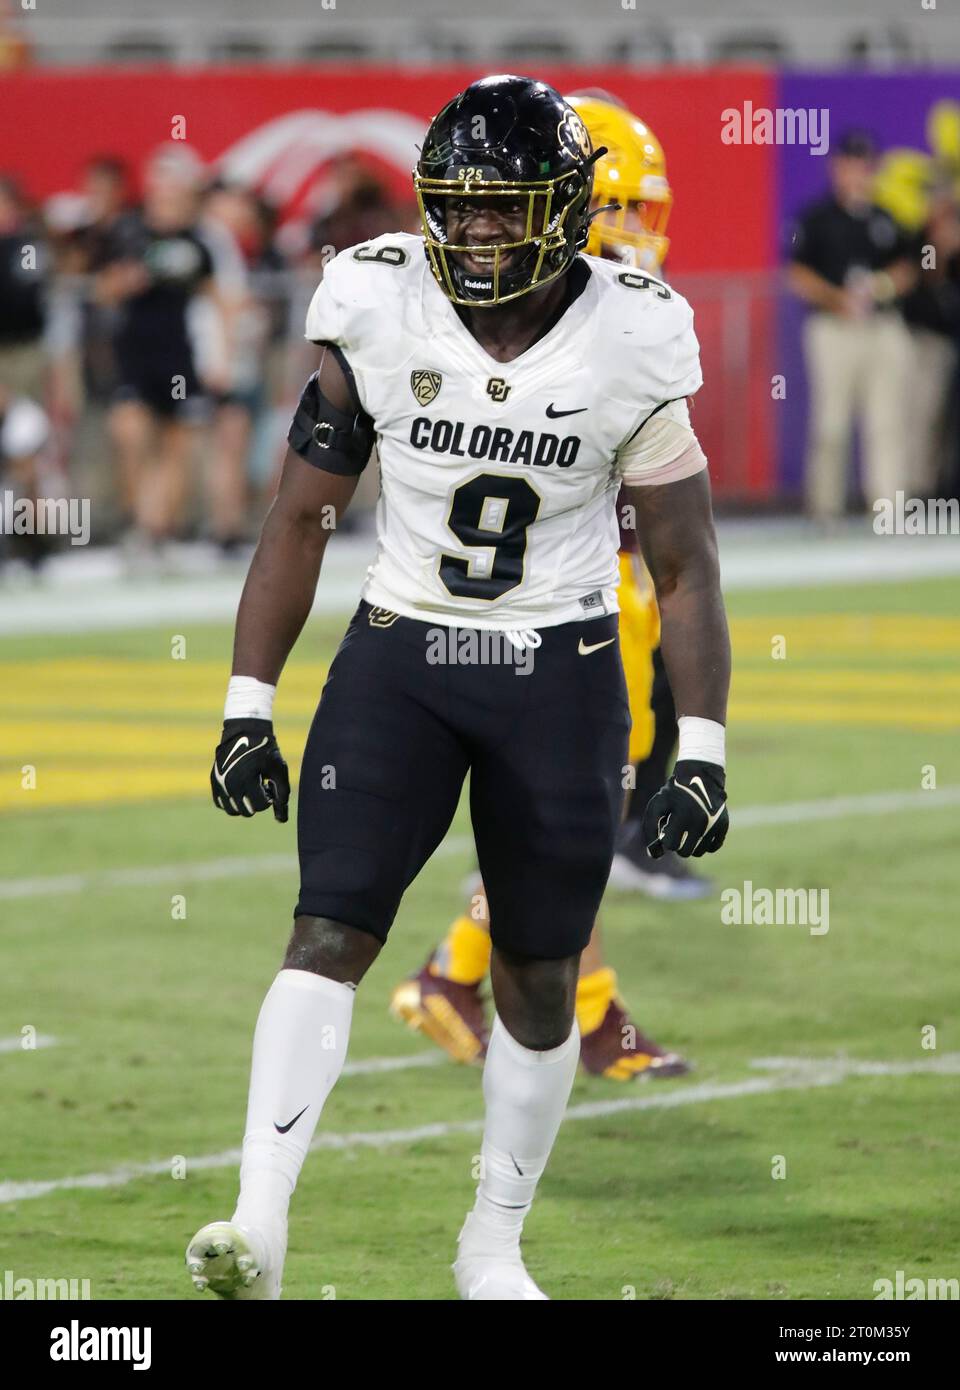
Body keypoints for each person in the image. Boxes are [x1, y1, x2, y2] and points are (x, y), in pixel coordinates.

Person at [187, 75, 730, 1302]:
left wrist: (701, 744)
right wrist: (242, 708)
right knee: (327, 927)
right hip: (404, 656)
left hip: (561, 668)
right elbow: (300, 516)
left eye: (503, 207)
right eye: (459, 206)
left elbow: (689, 564)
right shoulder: (375, 297)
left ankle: (492, 1246)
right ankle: (257, 1221)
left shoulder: (635, 328)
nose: (476, 230)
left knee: (540, 975)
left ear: (564, 208)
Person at [388, 93, 705, 1083]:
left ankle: (452, 970)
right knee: (576, 803)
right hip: (555, 585)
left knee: (583, 804)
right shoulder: (530, 304)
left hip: (601, 570)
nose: (641, 232)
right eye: (624, 208)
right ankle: (584, 1007)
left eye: (647, 211)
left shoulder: (610, 307)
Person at [787, 130, 917, 522]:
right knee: (832, 423)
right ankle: (825, 511)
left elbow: (907, 266)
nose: (857, 174)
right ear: (836, 167)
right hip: (833, 328)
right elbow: (796, 273)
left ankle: (889, 511)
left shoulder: (884, 217)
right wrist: (836, 299)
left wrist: (883, 286)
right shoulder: (817, 218)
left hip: (880, 325)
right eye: (850, 165)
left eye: (864, 166)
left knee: (886, 422)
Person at [96, 144, 216, 562]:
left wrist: (220, 355)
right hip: (137, 353)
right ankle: (141, 522)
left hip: (180, 354)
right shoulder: (128, 231)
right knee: (132, 436)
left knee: (175, 445)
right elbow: (104, 289)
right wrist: (130, 280)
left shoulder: (199, 239)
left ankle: (159, 530)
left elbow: (216, 296)